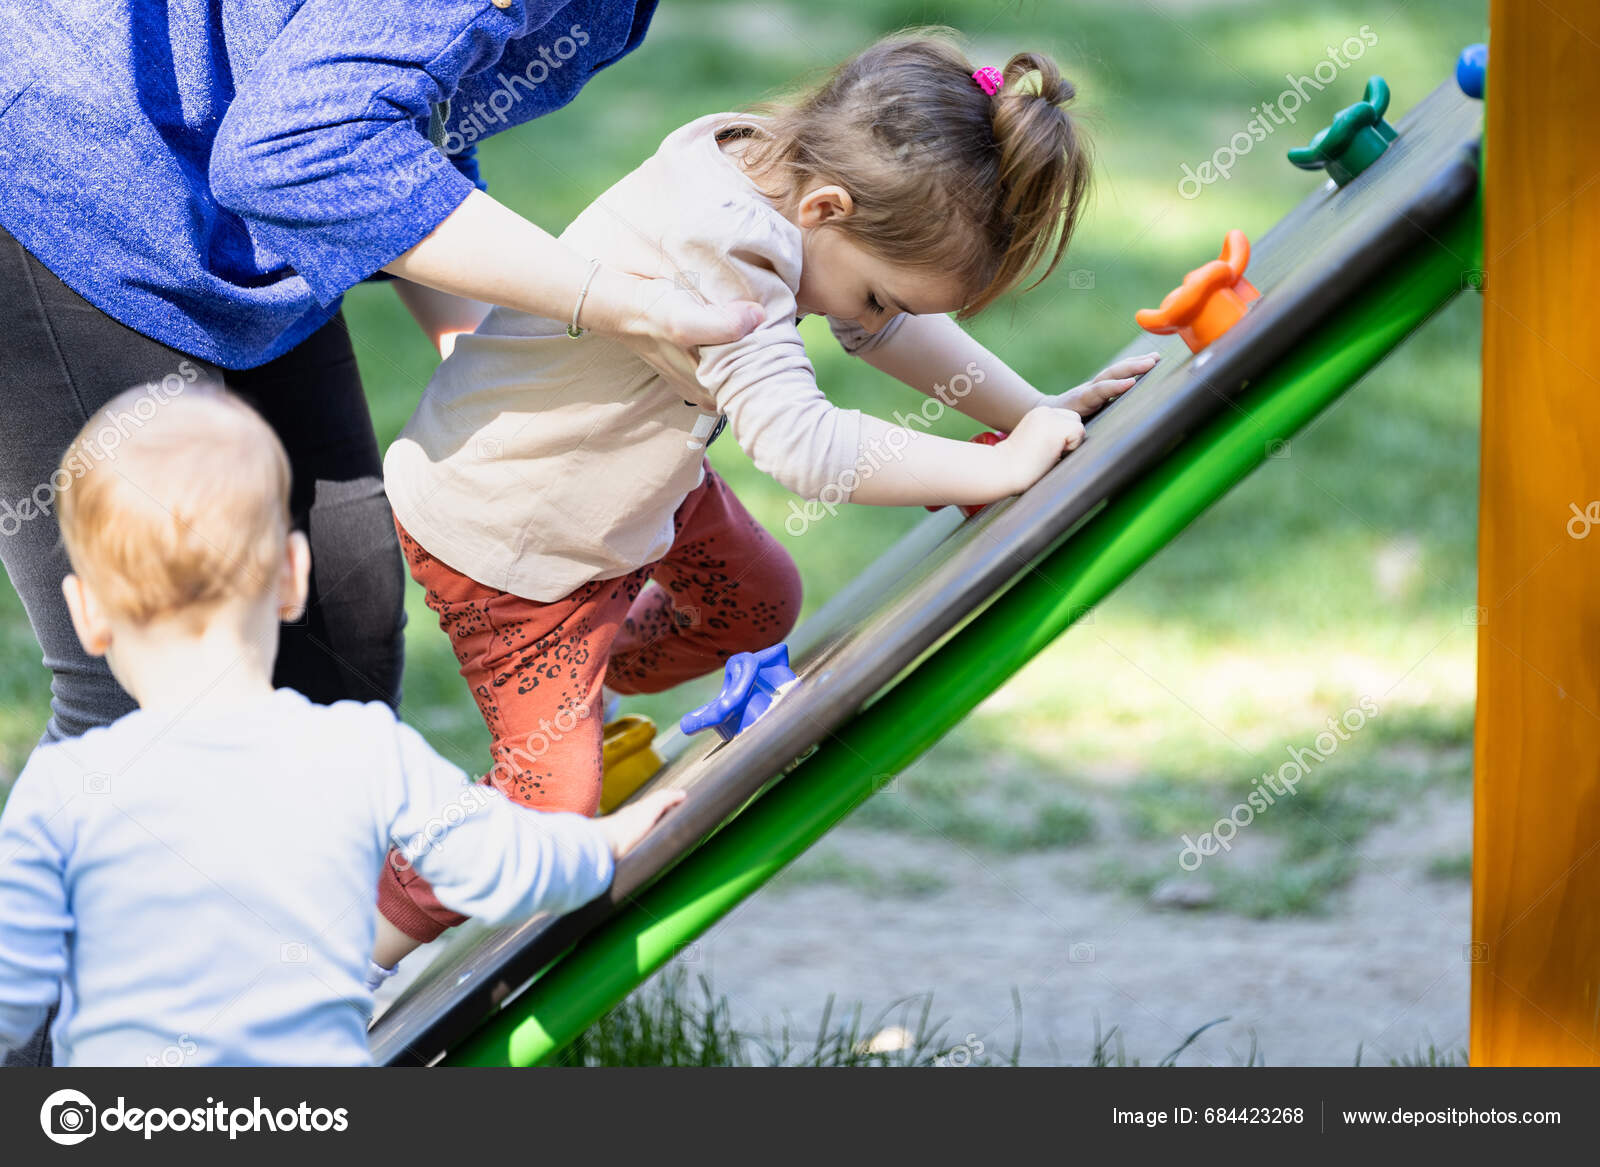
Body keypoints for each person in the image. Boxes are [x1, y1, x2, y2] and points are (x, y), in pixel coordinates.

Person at [373, 33, 1160, 963]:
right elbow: (801, 443)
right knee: (551, 801)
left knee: (758, 603)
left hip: (626, 486)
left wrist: (1033, 413)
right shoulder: (726, 241)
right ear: (828, 208)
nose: (862, 320)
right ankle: (352, 939)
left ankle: (603, 664)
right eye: (872, 295)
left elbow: (894, 333)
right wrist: (993, 468)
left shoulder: (778, 176)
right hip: (510, 539)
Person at [0, 388, 683, 1066]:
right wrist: (600, 842)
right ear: (294, 576)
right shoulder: (361, 750)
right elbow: (498, 863)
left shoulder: (62, 791)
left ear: (85, 613)